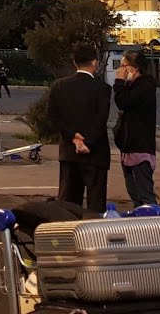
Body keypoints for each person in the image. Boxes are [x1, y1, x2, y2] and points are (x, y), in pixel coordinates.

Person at [46, 42, 112, 213]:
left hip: (69, 152)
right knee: (96, 204)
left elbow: (54, 119)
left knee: (68, 204)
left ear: (75, 63)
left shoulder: (59, 86)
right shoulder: (102, 88)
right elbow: (100, 120)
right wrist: (87, 142)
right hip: (96, 153)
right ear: (95, 62)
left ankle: (68, 236)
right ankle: (93, 237)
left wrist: (74, 138)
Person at [113, 48, 158, 206]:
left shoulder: (145, 86)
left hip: (140, 148)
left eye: (124, 65)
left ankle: (153, 226)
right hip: (129, 148)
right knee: (135, 195)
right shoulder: (133, 85)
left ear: (134, 68)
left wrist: (119, 82)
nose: (121, 70)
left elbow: (122, 101)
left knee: (145, 196)